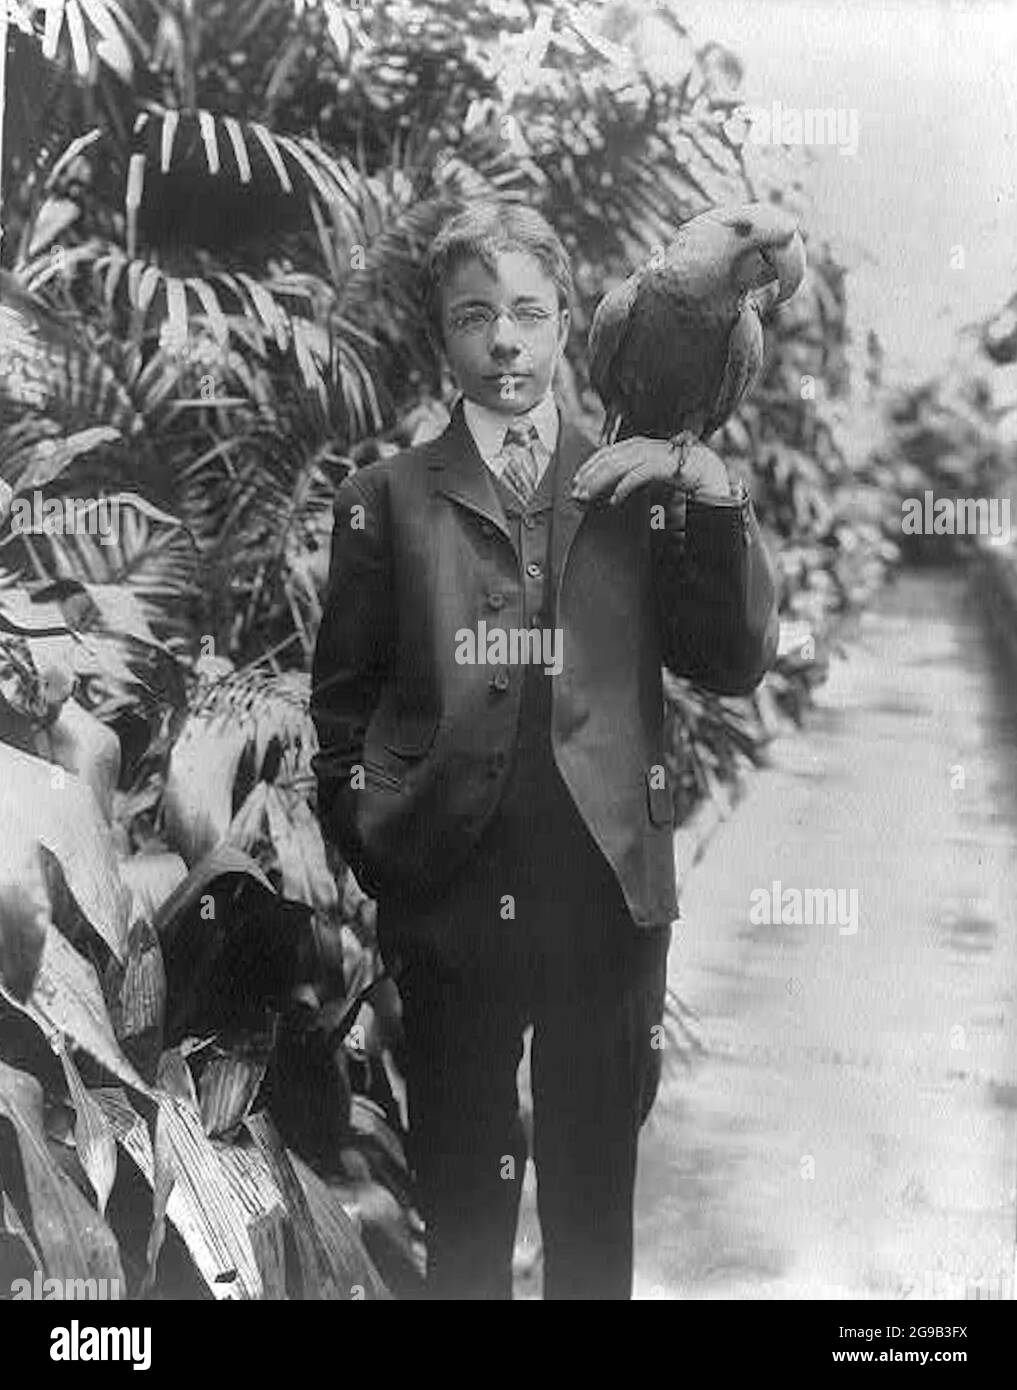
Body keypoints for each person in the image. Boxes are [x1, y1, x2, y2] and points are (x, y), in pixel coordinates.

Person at [310, 202, 778, 1299]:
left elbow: (733, 657)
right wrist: (375, 841)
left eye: (528, 313)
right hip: (449, 906)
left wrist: (712, 497)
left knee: (591, 1228)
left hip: (603, 906)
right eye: (476, 317)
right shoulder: (386, 499)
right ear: (444, 337)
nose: (506, 341)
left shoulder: (640, 478)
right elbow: (339, 708)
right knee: (464, 1225)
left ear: (570, 324)